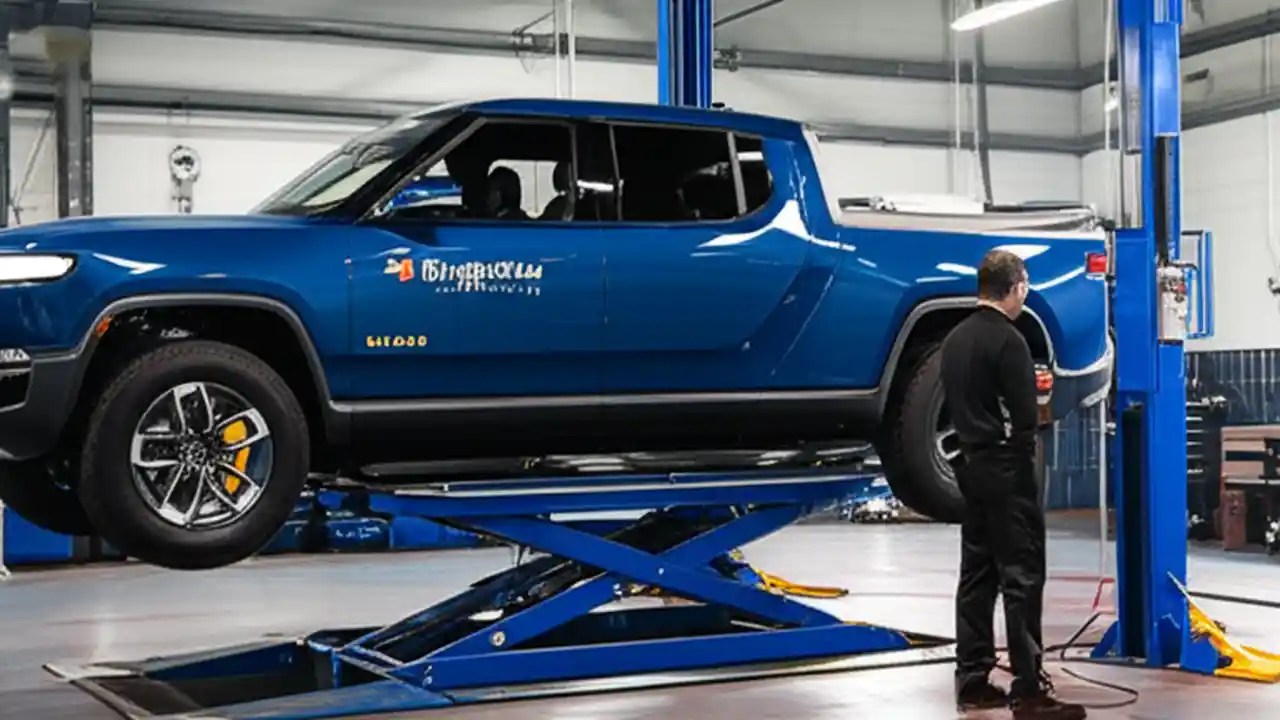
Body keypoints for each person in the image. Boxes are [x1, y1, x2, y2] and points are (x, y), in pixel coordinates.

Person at [940, 249, 1086, 720]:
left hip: (970, 466)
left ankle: (974, 680)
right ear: (1017, 286)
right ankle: (1028, 689)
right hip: (1008, 470)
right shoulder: (1010, 341)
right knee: (1022, 575)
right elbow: (1026, 418)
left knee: (977, 575)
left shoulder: (954, 340)